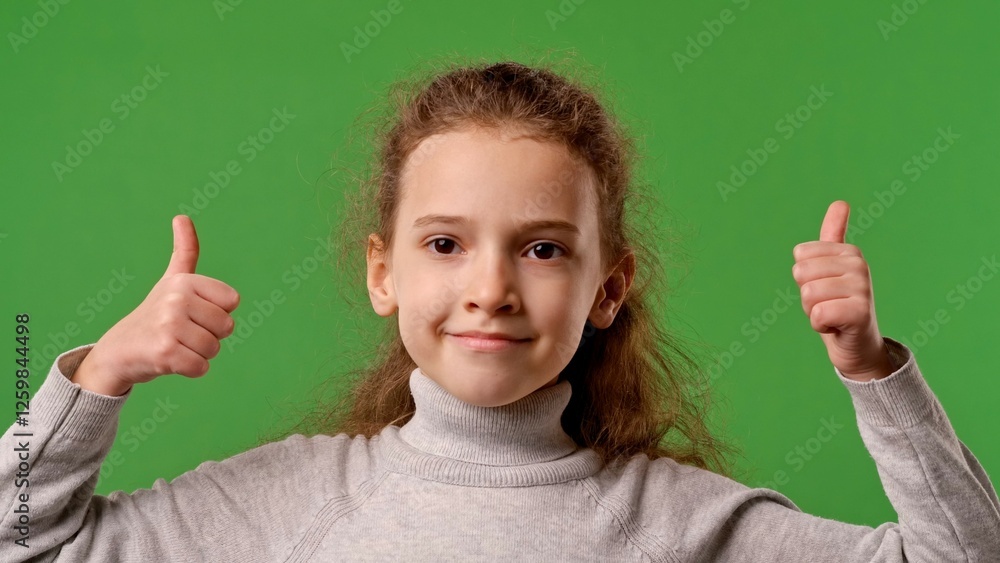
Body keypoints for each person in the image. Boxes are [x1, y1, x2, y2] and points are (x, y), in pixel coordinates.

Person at [2, 59, 998, 562]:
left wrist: (871, 366)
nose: (489, 287)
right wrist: (98, 376)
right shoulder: (292, 499)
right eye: (444, 244)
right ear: (382, 274)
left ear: (609, 287)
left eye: (543, 248)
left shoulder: (676, 520)